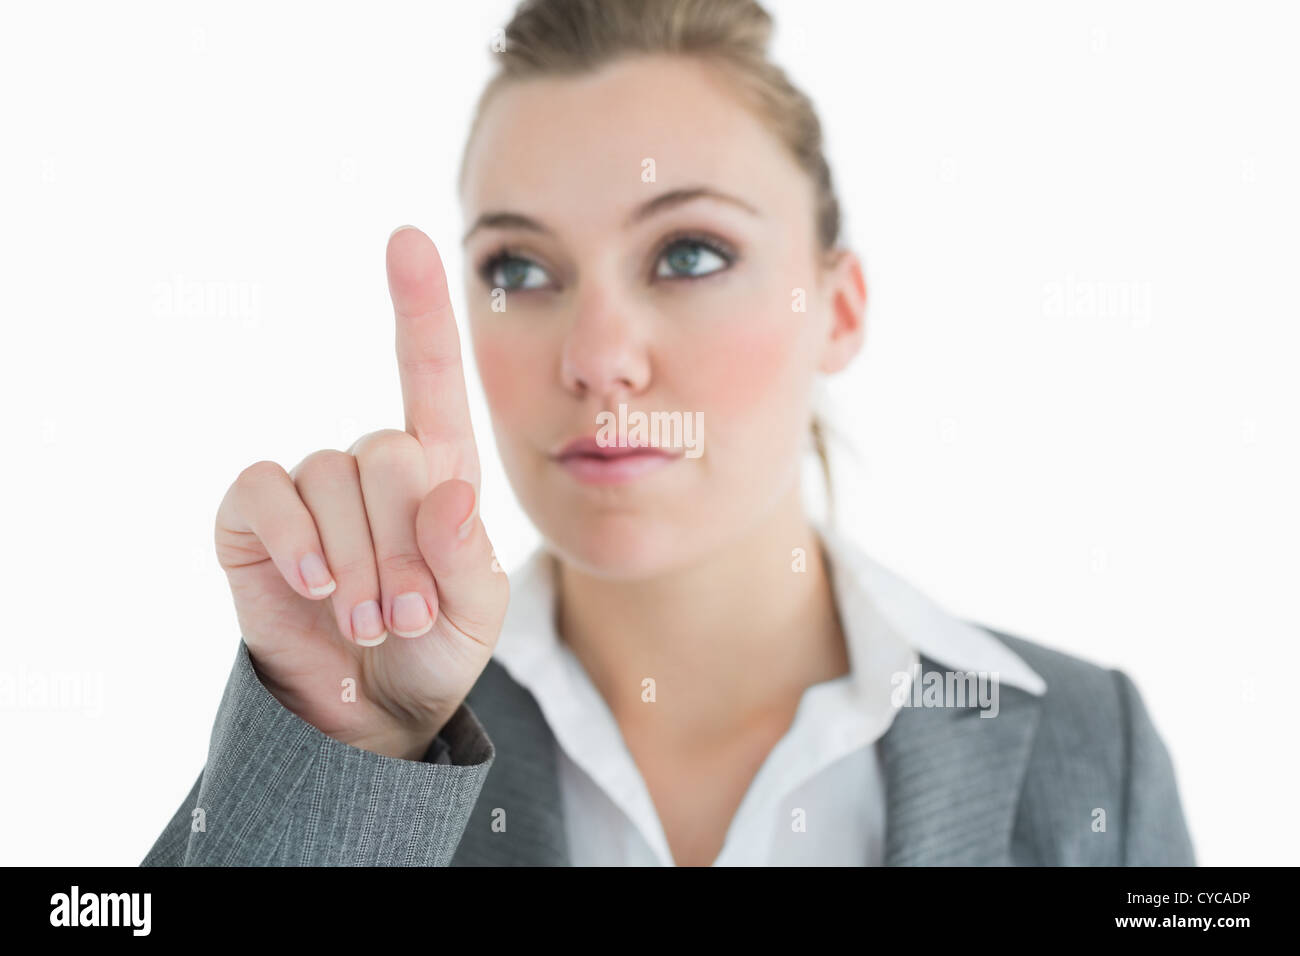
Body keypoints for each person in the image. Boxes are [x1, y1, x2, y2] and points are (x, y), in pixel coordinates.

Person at [142, 0, 1196, 866]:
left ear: (836, 307)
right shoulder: (378, 718)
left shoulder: (1088, 749)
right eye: (519, 268)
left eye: (689, 253)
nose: (597, 354)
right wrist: (351, 749)